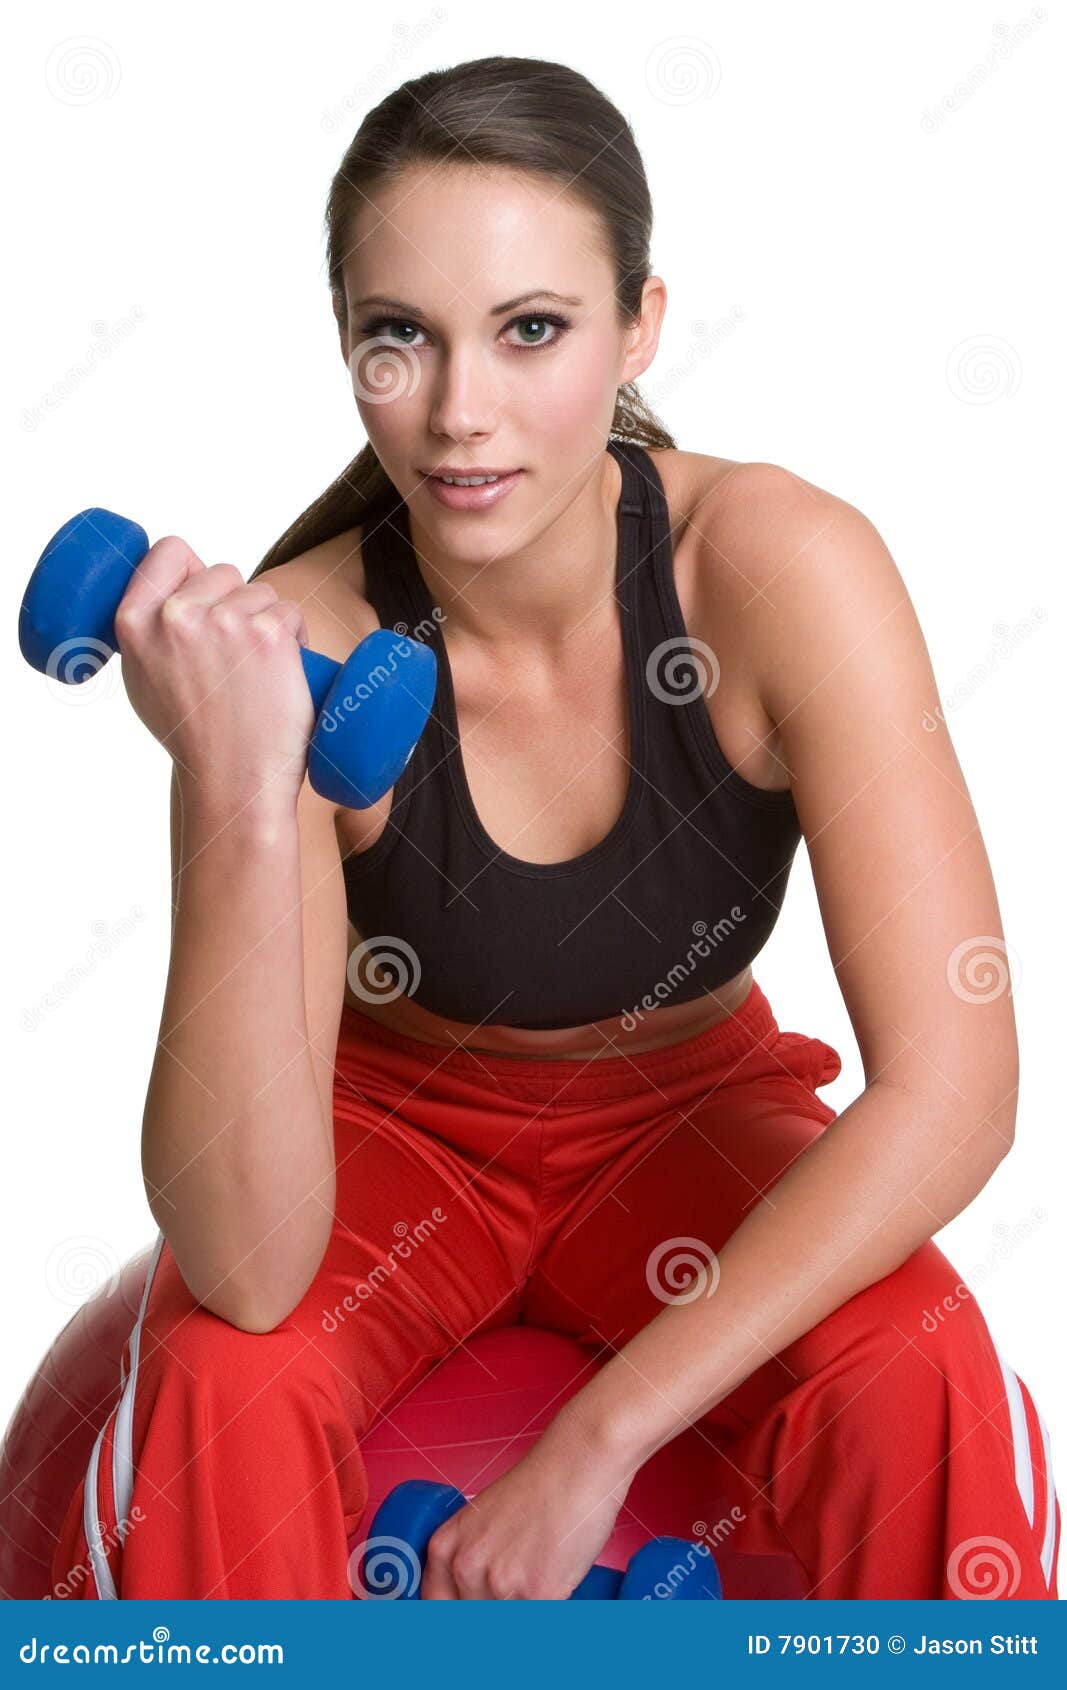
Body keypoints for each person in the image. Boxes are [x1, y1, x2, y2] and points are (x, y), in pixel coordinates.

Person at [52, 54, 1057, 1601]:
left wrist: (592, 1443)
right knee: (219, 1379)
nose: (461, 413)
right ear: (346, 348)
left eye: (533, 330)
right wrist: (243, 788)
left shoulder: (779, 571)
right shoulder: (293, 646)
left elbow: (958, 1092)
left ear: (641, 323)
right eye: (402, 337)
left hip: (690, 1119)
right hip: (389, 1139)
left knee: (912, 1360)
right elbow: (249, 1264)